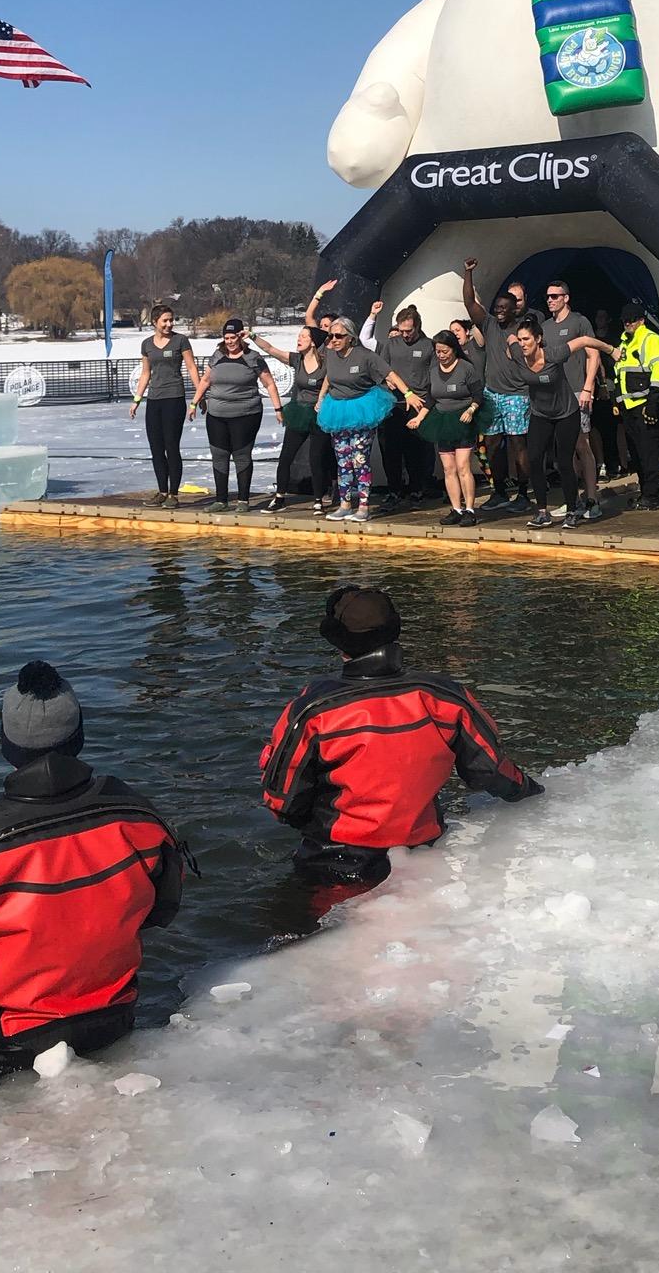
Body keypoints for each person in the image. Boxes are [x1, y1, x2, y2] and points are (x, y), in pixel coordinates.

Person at [0, 660, 188, 1091]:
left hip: (7, 1044)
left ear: (7, 745)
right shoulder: (138, 816)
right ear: (79, 735)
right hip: (115, 1021)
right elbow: (164, 909)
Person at [260, 587, 542, 892]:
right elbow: (491, 771)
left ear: (337, 642)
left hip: (336, 861)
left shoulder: (314, 709)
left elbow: (284, 802)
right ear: (395, 631)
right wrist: (533, 791)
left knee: (304, 932)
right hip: (421, 853)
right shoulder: (445, 697)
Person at [313, 315, 424, 522]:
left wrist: (408, 393)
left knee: (359, 459)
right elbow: (329, 376)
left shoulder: (365, 356)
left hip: (361, 408)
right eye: (331, 336)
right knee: (343, 460)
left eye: (339, 336)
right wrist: (321, 397)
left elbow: (390, 374)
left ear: (350, 337)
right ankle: (345, 504)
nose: (334, 340)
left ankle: (363, 505)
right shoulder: (331, 355)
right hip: (337, 409)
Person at [510, 312, 613, 528]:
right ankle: (541, 513)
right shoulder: (518, 354)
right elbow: (508, 341)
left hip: (566, 412)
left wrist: (611, 350)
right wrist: (511, 341)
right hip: (540, 414)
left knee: (563, 461)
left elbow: (585, 341)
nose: (522, 344)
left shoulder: (555, 354)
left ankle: (572, 510)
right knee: (535, 458)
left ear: (538, 339)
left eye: (526, 339)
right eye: (520, 340)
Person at [190, 319, 284, 510]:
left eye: (234, 337)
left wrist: (278, 409)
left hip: (246, 413)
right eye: (226, 338)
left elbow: (269, 384)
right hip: (217, 413)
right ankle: (221, 500)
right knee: (219, 454)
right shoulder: (217, 356)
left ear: (241, 336)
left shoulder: (253, 357)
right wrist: (194, 402)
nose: (230, 342)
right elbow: (206, 380)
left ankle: (243, 500)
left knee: (241, 455)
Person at [462, 260, 530, 512]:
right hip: (492, 394)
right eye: (497, 307)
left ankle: (523, 493)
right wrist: (468, 273)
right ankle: (499, 491)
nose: (499, 311)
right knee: (491, 444)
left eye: (504, 308)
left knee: (517, 444)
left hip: (517, 394)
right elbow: (470, 303)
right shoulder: (489, 324)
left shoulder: (522, 329)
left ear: (514, 310)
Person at [249, 323, 337, 513]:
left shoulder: (327, 361)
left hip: (319, 413)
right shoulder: (297, 359)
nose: (299, 339)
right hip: (299, 412)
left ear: (313, 342)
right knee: (286, 456)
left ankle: (318, 500)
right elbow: (271, 349)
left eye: (303, 336)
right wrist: (252, 336)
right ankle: (279, 497)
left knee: (317, 458)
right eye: (299, 335)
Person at [409, 328, 487, 524]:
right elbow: (430, 398)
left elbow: (478, 394)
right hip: (442, 421)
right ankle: (456, 509)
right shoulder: (434, 371)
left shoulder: (465, 368)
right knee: (448, 468)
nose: (441, 355)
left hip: (462, 419)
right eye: (438, 351)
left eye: (445, 351)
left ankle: (469, 508)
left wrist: (471, 409)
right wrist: (419, 418)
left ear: (453, 349)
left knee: (463, 466)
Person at [541, 277, 602, 516]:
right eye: (547, 297)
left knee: (581, 444)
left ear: (566, 298)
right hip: (555, 396)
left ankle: (592, 499)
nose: (550, 300)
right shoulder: (545, 327)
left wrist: (588, 386)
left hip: (577, 391)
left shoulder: (580, 321)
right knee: (563, 450)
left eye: (554, 296)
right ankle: (572, 498)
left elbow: (593, 354)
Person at [129, 305, 200, 505]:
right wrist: (137, 399)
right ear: (155, 322)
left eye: (171, 320)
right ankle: (161, 491)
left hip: (174, 398)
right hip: (154, 400)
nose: (169, 324)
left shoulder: (180, 341)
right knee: (156, 448)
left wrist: (199, 395)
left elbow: (191, 367)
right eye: (165, 321)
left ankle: (173, 494)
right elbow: (145, 373)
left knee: (171, 446)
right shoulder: (146, 344)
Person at [376, 304, 438, 502]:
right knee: (391, 450)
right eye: (401, 331)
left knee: (417, 450)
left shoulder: (429, 345)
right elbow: (379, 369)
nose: (405, 335)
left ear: (418, 327)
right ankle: (394, 489)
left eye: (409, 331)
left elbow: (435, 375)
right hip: (394, 403)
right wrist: (385, 379)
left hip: (418, 402)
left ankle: (417, 488)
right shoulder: (390, 344)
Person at [614, 300, 659, 508]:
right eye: (625, 321)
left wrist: (653, 402)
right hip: (629, 407)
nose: (628, 324)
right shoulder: (623, 343)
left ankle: (652, 496)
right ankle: (644, 492)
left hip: (646, 404)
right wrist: (617, 401)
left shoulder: (652, 340)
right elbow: (619, 374)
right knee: (636, 454)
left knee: (648, 452)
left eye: (632, 320)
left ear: (641, 320)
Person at [589, 308, 625, 480]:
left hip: (610, 384)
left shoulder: (614, 339)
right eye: (598, 316)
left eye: (603, 316)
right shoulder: (590, 338)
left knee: (612, 426)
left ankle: (616, 462)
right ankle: (600, 463)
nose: (600, 319)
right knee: (595, 426)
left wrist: (605, 384)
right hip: (592, 386)